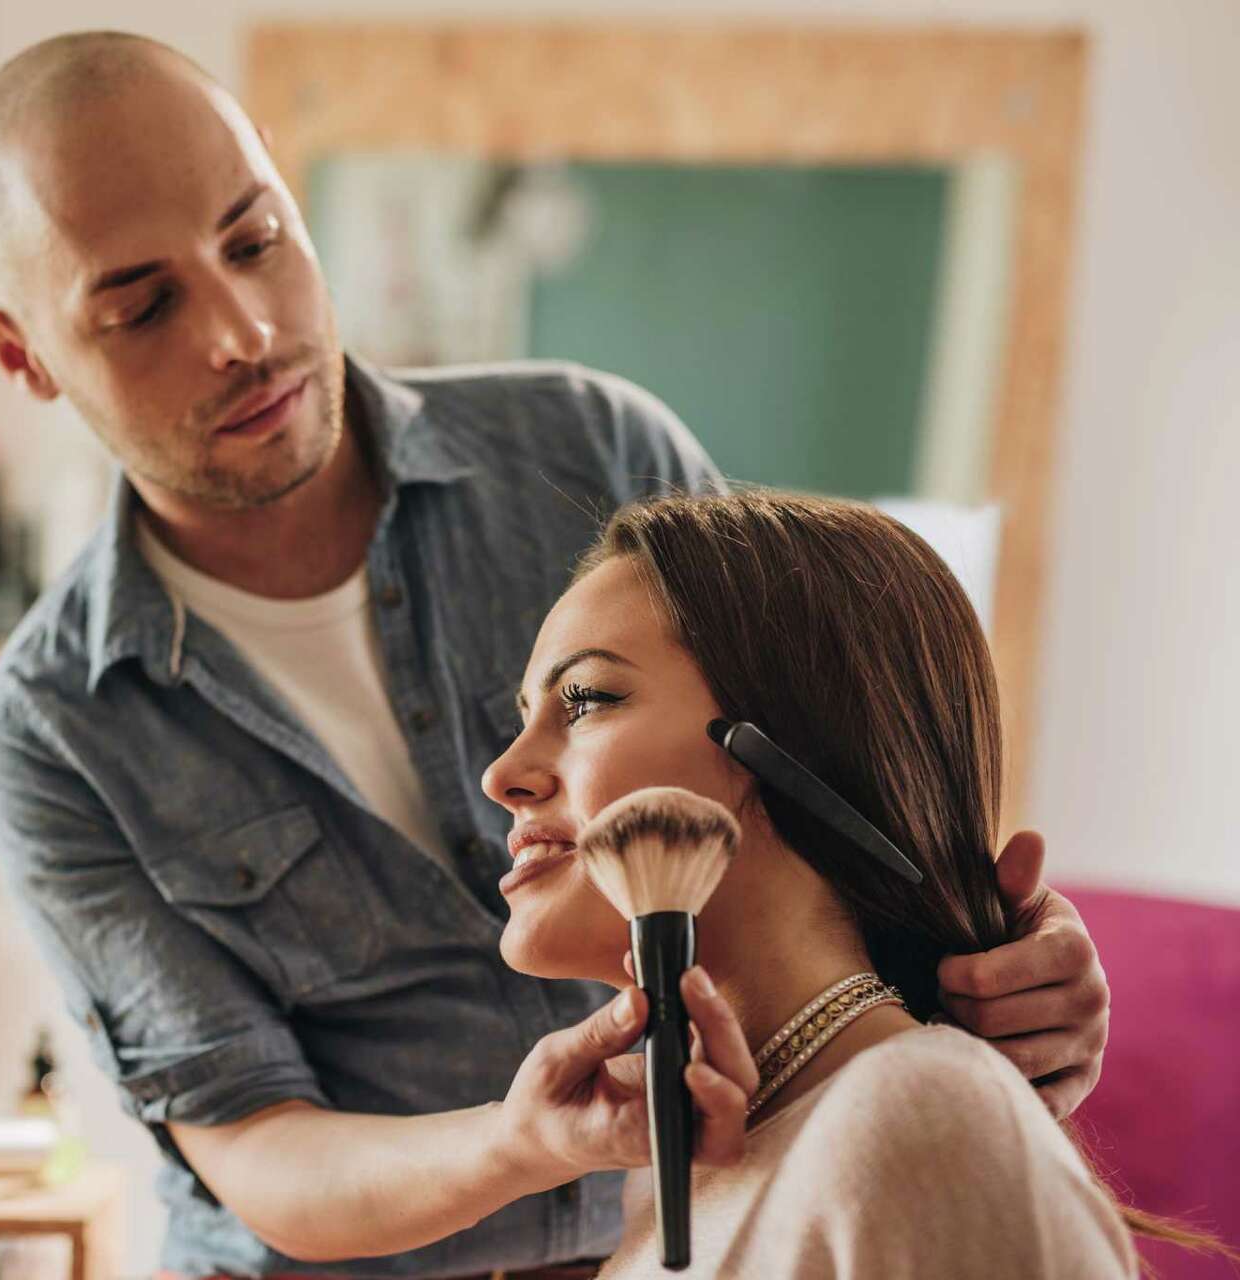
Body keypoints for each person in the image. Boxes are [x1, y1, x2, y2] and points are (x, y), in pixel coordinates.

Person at [0, 30, 1113, 1273]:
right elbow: (258, 1148)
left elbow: (800, 773)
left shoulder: (589, 448)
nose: (240, 330)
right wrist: (528, 1142)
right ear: (21, 351)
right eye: (142, 306)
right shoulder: (52, 726)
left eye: (255, 241)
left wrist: (996, 983)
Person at [482, 491, 1141, 1277]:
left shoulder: (922, 1118)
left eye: (585, 700)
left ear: (790, 743)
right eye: (523, 716)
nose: (501, 776)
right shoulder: (668, 1175)